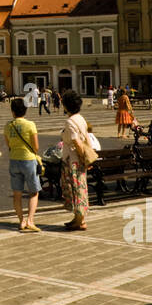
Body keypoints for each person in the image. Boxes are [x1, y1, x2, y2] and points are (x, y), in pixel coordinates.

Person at [3, 98, 42, 233]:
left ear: (12, 111)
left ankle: (21, 221)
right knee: (33, 192)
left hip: (14, 160)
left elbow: (8, 145)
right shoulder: (30, 125)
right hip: (28, 160)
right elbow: (36, 147)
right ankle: (30, 220)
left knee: (17, 193)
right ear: (25, 110)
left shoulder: (8, 126)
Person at [58, 90, 90, 230]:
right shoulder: (80, 118)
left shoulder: (70, 122)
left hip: (73, 160)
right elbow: (87, 138)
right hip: (79, 159)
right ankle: (78, 218)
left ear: (66, 106)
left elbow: (76, 142)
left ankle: (80, 220)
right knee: (80, 188)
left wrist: (83, 159)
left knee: (76, 189)